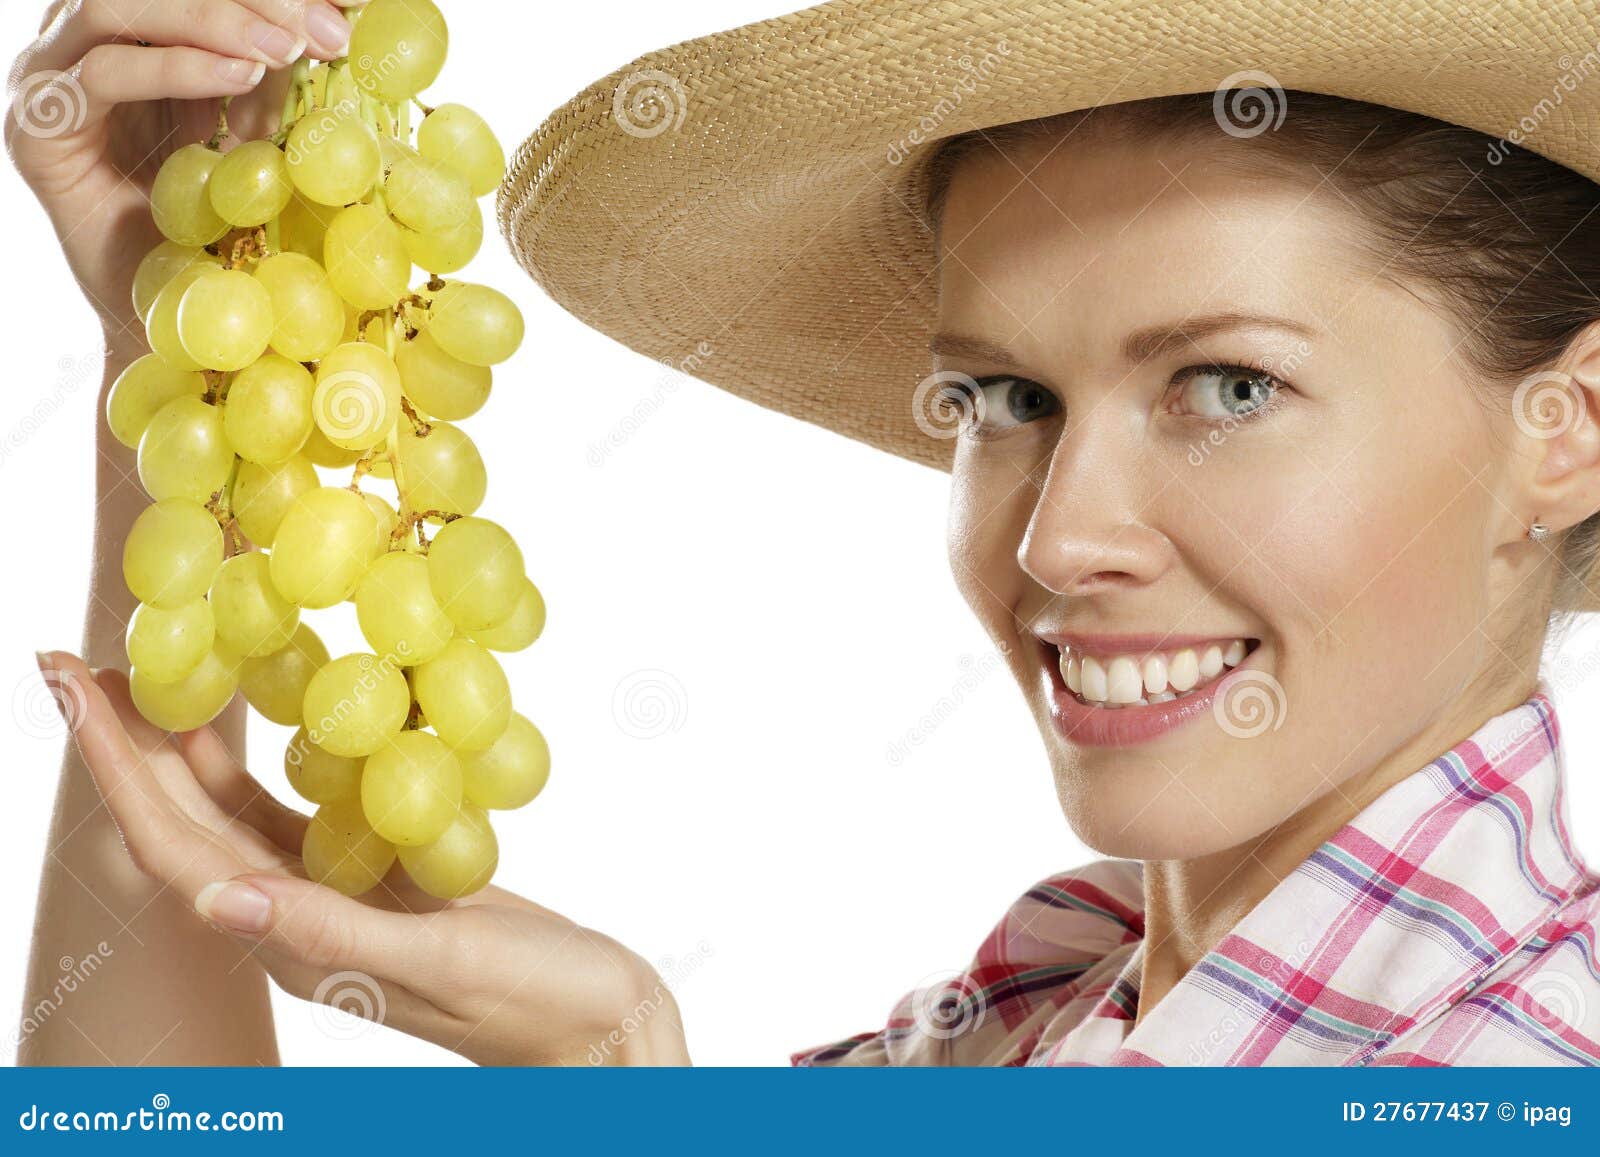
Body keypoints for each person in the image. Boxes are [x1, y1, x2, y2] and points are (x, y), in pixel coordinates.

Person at [12, 0, 1600, 1066]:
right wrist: (186, 365)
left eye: (1230, 383)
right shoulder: (1034, 1011)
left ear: (1570, 433)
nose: (1059, 538)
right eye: (1000, 398)